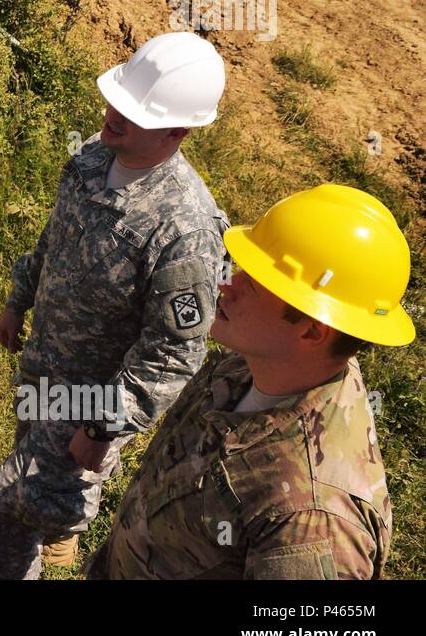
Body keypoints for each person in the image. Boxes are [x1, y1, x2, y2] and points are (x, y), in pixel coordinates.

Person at [0, 32, 229, 579]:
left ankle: (43, 522)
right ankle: (57, 522)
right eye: (117, 97)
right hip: (43, 364)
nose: (112, 113)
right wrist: (19, 299)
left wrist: (100, 429)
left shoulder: (185, 228)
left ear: (178, 131)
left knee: (5, 508)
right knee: (32, 468)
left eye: (133, 112)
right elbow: (55, 237)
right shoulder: (96, 154)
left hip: (89, 401)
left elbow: (174, 353)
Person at [87, 183, 412, 579]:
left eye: (254, 285)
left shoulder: (313, 521)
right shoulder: (268, 363)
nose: (227, 284)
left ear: (312, 331)